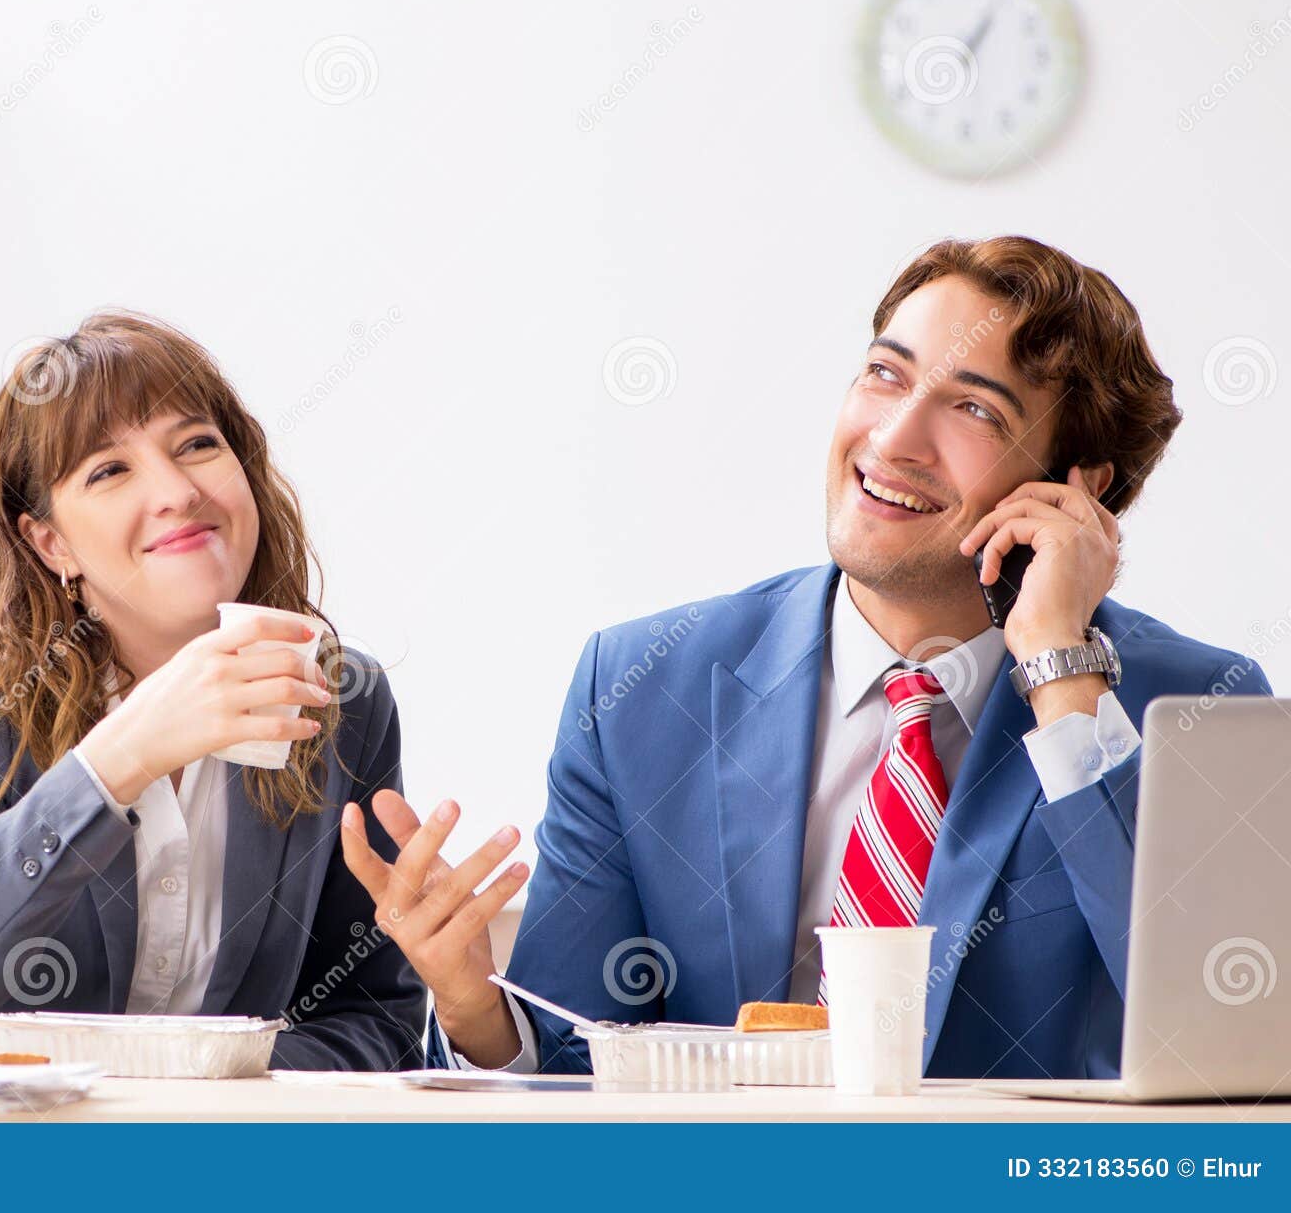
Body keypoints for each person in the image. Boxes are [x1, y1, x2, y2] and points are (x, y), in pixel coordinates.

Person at [343, 236, 1271, 1079]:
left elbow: (1227, 1045)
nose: (895, 439)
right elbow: (578, 1065)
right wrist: (473, 1005)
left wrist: (1064, 674)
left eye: (974, 410)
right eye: (884, 375)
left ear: (1079, 487)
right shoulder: (642, 690)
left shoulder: (1191, 706)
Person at [0, 311, 424, 1070]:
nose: (178, 491)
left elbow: (371, 1017)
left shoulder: (340, 701)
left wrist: (211, 1086)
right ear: (50, 543)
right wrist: (115, 761)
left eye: (197, 445)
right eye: (109, 470)